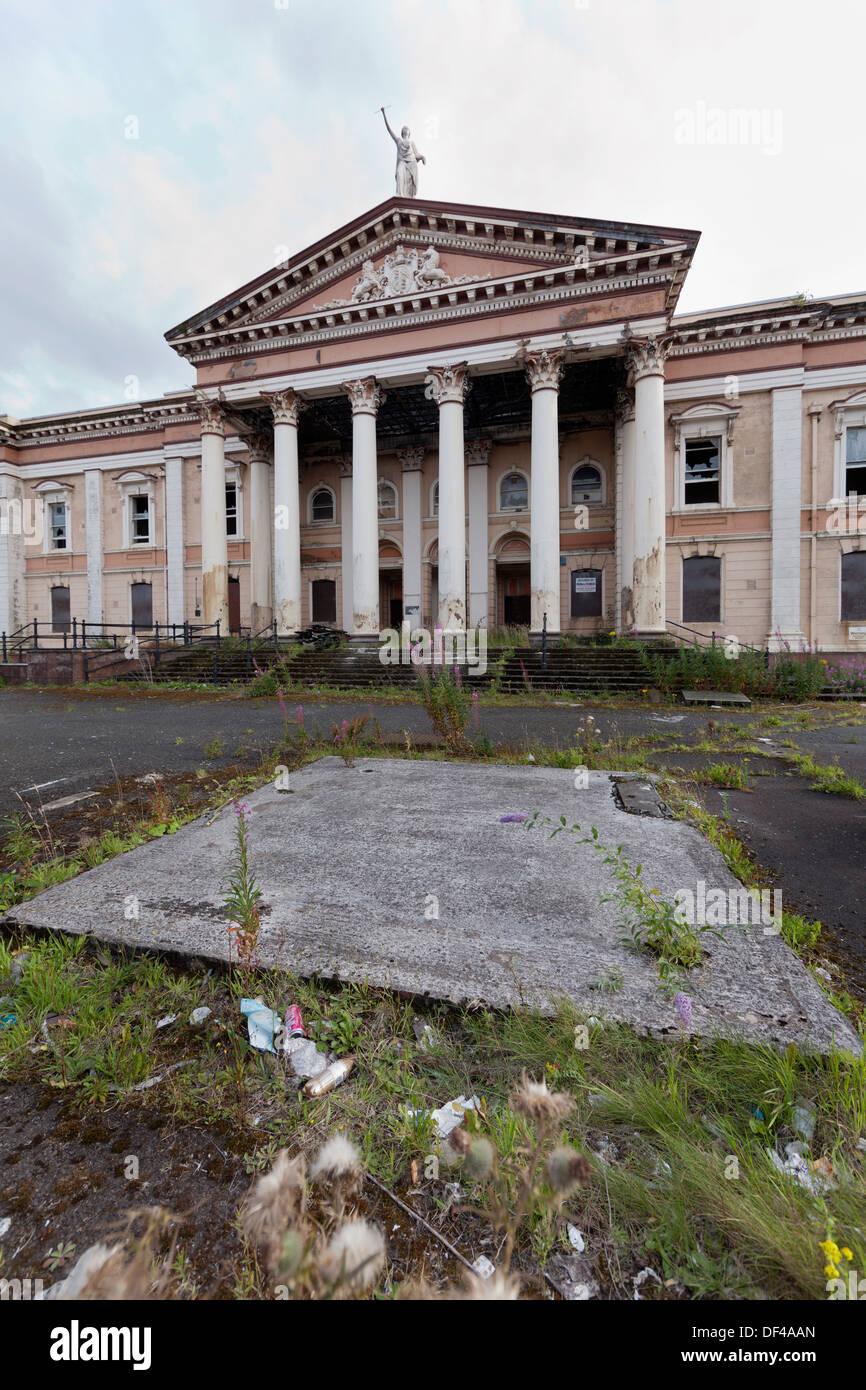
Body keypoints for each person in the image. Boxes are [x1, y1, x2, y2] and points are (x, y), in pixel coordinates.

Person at [381, 108, 426, 197]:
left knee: (409, 184)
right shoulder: (399, 141)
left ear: (409, 133)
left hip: (411, 163)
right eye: (404, 129)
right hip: (402, 162)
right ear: (402, 133)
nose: (405, 130)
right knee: (399, 173)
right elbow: (389, 130)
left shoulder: (412, 142)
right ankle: (400, 196)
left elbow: (416, 154)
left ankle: (408, 198)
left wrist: (422, 157)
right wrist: (384, 114)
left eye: (407, 129)